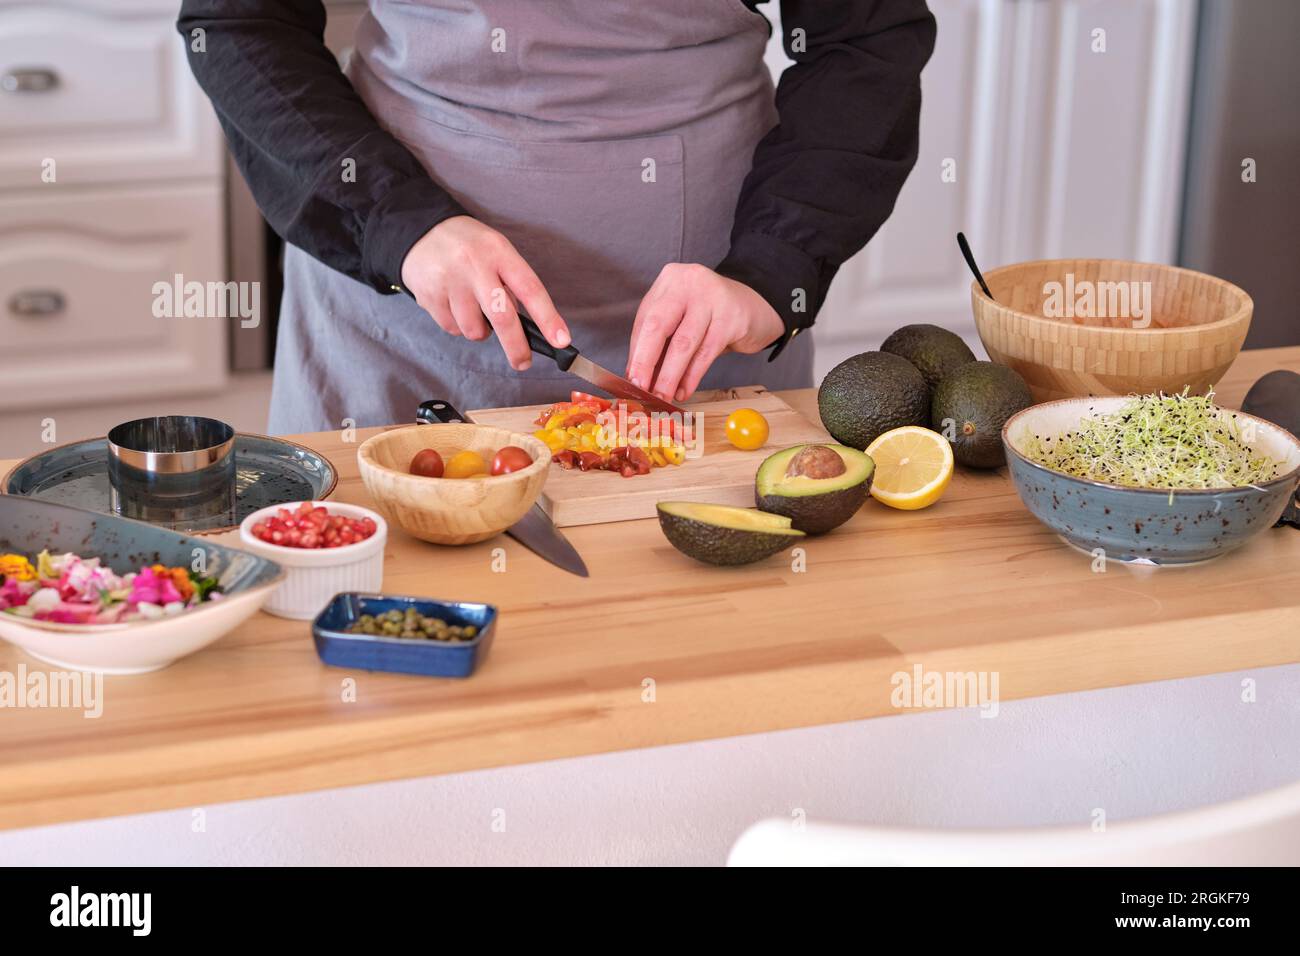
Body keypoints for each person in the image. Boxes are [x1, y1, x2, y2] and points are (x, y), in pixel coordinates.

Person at [178, 1, 935, 434]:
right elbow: (241, 21)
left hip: (709, 309)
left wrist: (776, 266)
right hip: (394, 303)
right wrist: (396, 222)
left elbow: (864, 37)